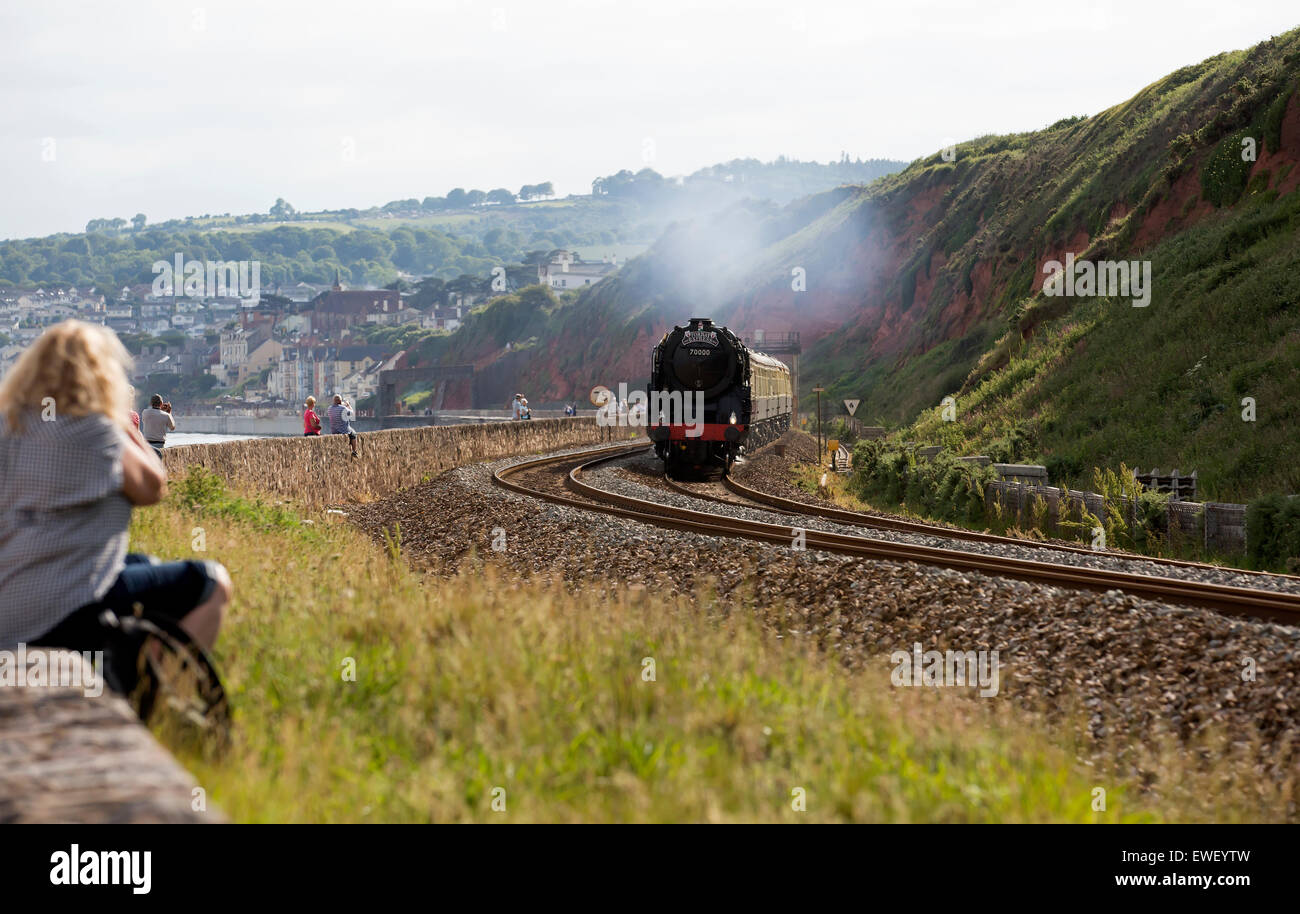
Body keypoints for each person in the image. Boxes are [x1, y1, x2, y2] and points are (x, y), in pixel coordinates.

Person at [0, 320, 231, 659]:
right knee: (212, 580)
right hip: (61, 612)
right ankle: (152, 699)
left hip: (9, 603)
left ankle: (122, 673)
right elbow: (153, 487)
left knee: (145, 563)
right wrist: (119, 416)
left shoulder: (9, 426)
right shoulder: (94, 430)